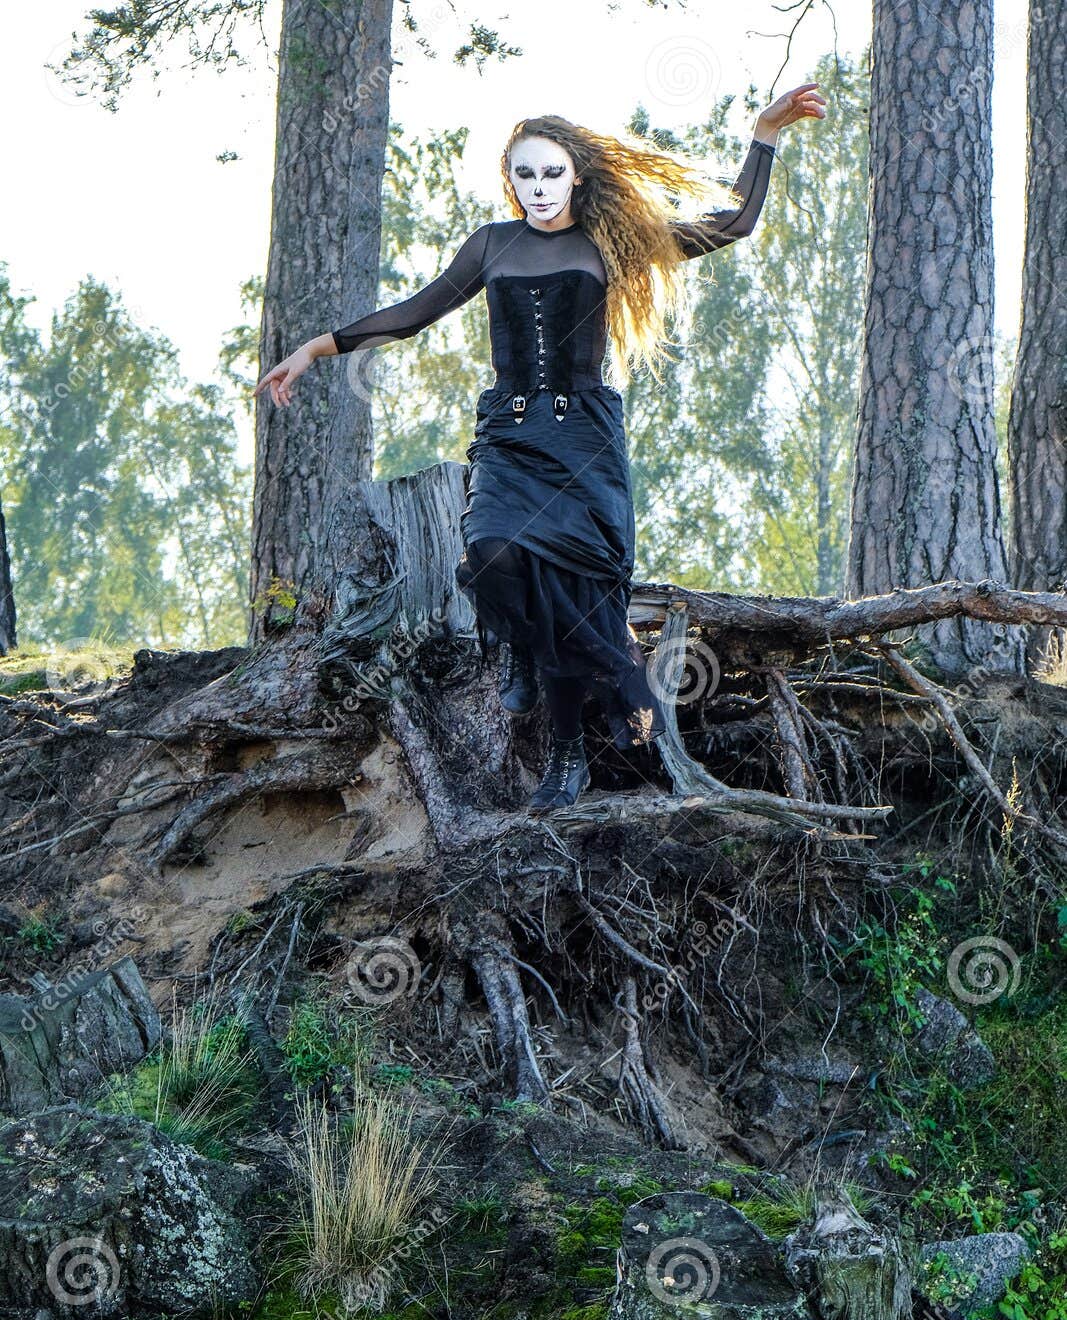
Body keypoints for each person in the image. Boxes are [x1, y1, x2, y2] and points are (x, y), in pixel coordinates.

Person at [255, 83, 826, 815]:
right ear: (509, 179)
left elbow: (734, 223)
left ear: (576, 176)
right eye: (524, 173)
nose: (537, 186)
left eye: (551, 172)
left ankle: (566, 758)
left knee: (568, 583)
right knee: (490, 555)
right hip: (509, 434)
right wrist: (313, 348)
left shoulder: (608, 242)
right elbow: (415, 310)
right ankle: (523, 643)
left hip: (583, 436)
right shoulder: (493, 243)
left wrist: (763, 134)